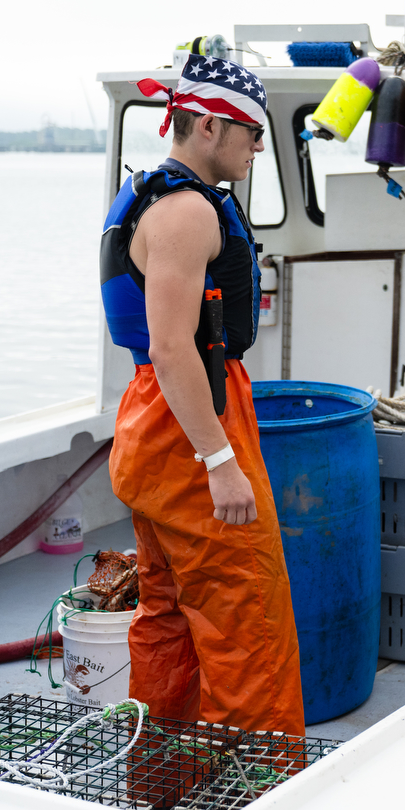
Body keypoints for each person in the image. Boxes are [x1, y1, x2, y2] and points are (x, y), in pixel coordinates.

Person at [100, 54, 304, 733]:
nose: (258, 147)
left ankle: (166, 778)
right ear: (212, 127)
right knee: (248, 621)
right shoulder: (187, 211)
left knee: (167, 614)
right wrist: (220, 462)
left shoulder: (149, 193)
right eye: (251, 132)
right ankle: (256, 787)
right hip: (189, 425)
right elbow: (171, 347)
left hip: (152, 422)